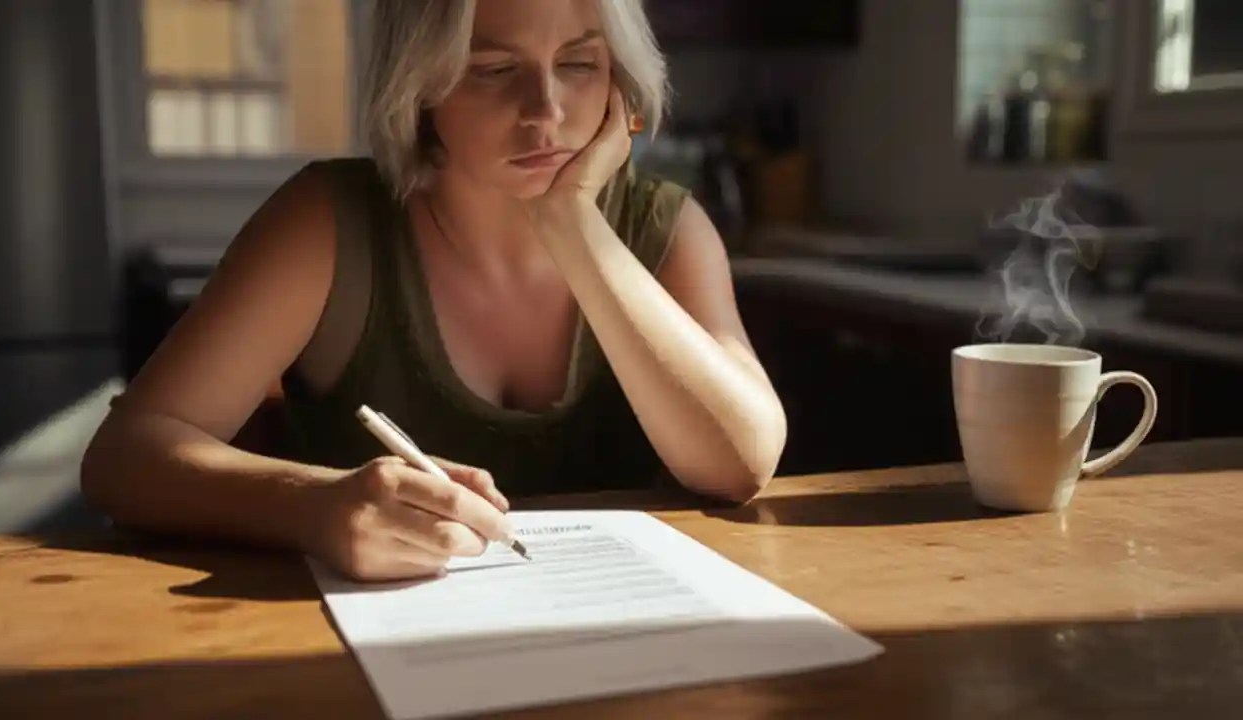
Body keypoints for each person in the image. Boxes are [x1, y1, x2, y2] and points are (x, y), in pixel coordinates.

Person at [81, 0, 787, 581]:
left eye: (579, 63)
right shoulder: (326, 224)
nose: (545, 110)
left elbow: (740, 463)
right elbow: (124, 456)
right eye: (492, 69)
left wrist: (571, 219)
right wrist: (312, 505)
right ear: (418, 86)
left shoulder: (666, 228)